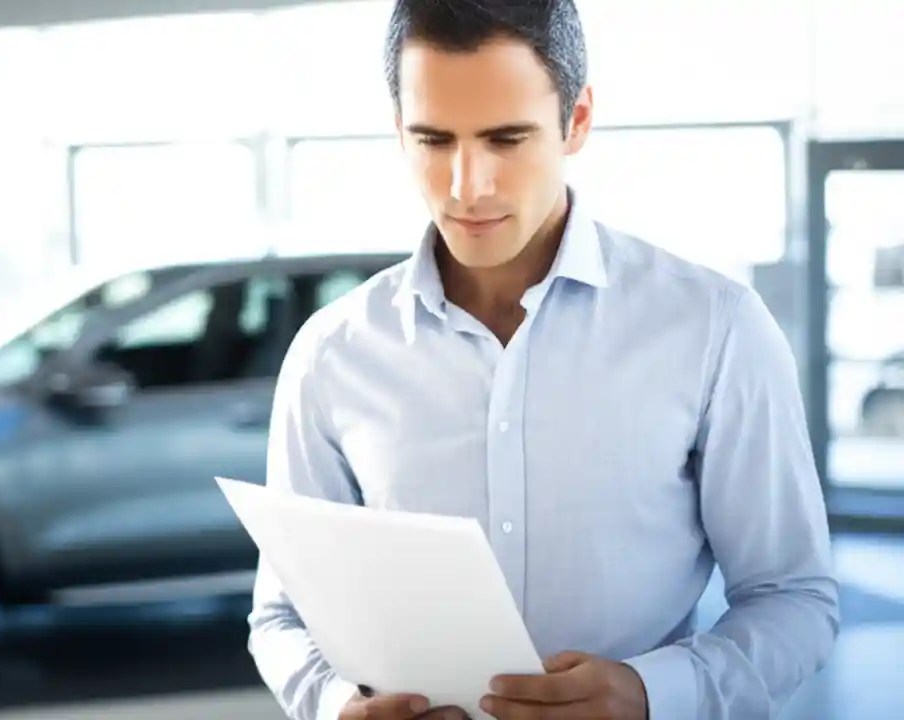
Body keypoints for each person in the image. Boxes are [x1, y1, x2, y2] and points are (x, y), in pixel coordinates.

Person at [245, 1, 840, 719]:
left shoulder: (716, 329)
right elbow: (281, 619)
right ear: (399, 129)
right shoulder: (331, 355)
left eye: (506, 139)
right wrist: (337, 705)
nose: (468, 185)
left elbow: (793, 600)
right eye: (434, 140)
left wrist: (652, 693)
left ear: (577, 121)